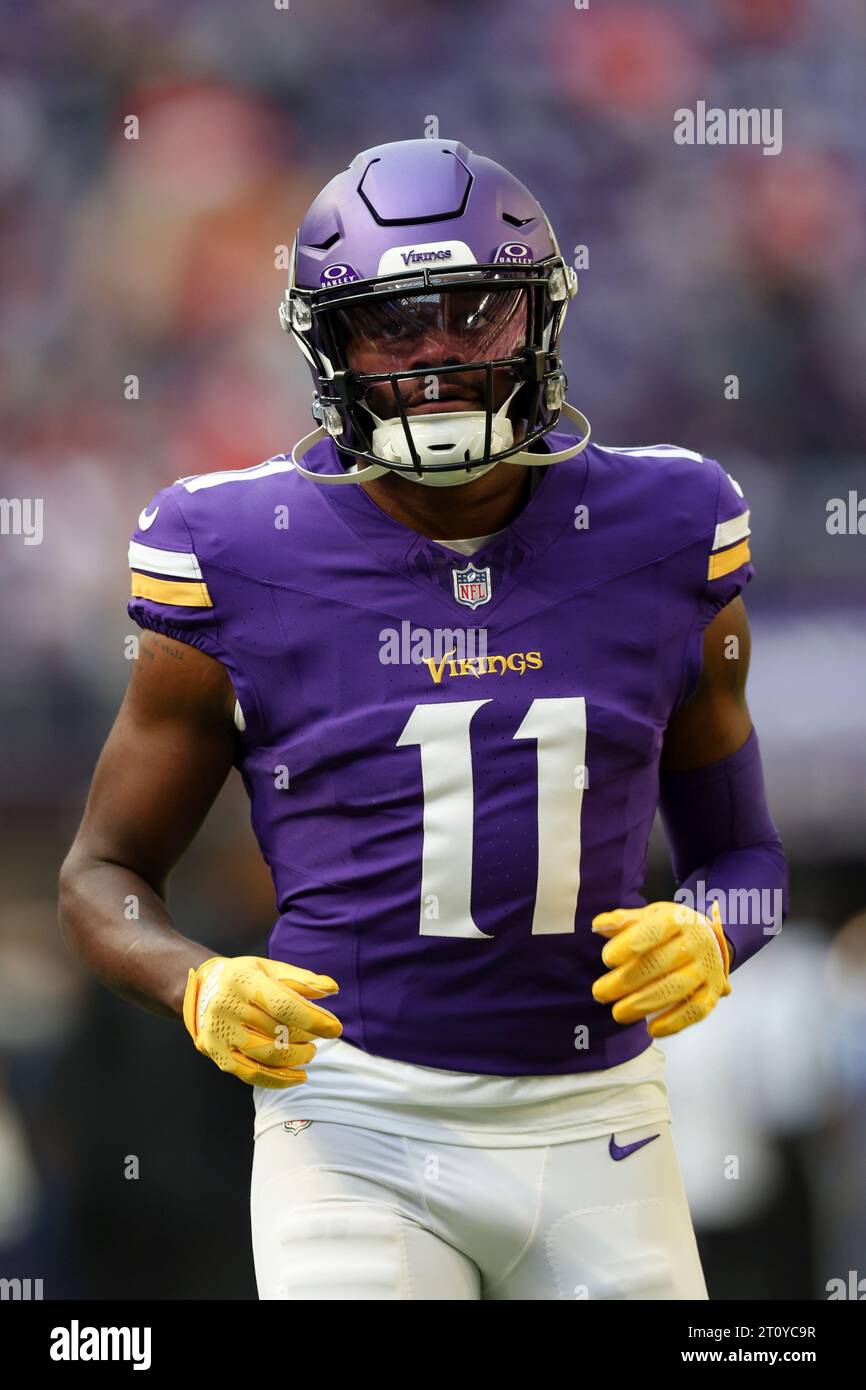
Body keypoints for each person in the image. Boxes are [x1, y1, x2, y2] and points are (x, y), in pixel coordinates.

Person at [59, 138, 788, 1300]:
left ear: (539, 317)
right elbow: (101, 874)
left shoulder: (668, 526)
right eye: (394, 324)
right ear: (327, 341)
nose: (438, 356)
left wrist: (710, 929)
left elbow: (743, 856)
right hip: (350, 1120)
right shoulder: (233, 549)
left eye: (474, 312)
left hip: (598, 1111)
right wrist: (195, 979)